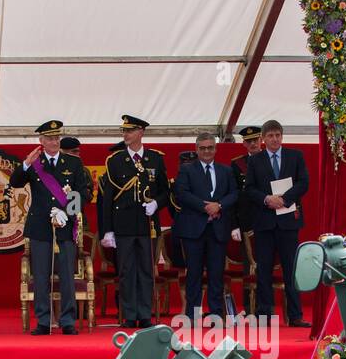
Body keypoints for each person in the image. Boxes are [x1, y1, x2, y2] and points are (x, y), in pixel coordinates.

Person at [12, 120, 91, 336]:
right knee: (41, 274)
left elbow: (83, 193)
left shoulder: (73, 163)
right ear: (41, 141)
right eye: (49, 138)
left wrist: (68, 212)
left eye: (56, 138)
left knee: (66, 273)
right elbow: (15, 182)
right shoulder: (35, 163)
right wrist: (26, 163)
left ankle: (67, 320)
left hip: (65, 225)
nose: (54, 141)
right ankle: (44, 320)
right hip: (40, 225)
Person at [99, 115, 169, 329]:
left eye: (130, 131)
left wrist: (156, 204)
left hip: (148, 225)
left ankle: (145, 313)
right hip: (124, 225)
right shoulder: (115, 161)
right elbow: (107, 198)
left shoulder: (155, 159)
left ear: (141, 132)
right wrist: (107, 231)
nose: (126, 135)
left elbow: (165, 191)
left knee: (147, 270)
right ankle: (130, 314)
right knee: (127, 271)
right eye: (124, 131)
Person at [245, 119, 310, 326]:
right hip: (264, 222)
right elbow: (249, 189)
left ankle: (295, 315)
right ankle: (265, 315)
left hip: (288, 221)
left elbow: (303, 183)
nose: (274, 139)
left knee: (291, 268)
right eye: (270, 135)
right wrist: (267, 199)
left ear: (282, 136)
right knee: (263, 269)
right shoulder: (255, 160)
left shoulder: (295, 156)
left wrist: (284, 199)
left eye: (277, 135)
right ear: (263, 139)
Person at [173, 133, 238, 322]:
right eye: (203, 148)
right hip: (194, 230)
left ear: (216, 149)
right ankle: (192, 316)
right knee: (193, 274)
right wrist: (206, 207)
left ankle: (216, 315)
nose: (207, 151)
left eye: (210, 147)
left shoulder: (226, 171)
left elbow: (234, 193)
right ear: (197, 149)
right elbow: (182, 193)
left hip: (218, 229)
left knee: (216, 274)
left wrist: (220, 206)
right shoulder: (187, 170)